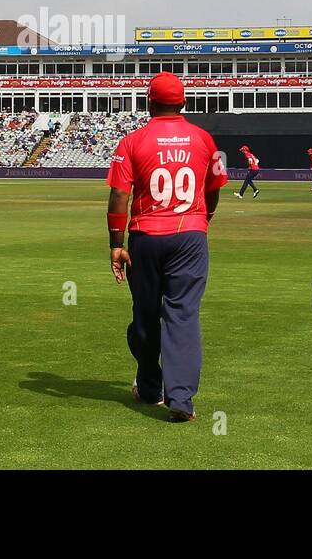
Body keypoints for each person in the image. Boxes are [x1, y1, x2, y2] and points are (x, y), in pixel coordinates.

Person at [106, 71, 227, 423]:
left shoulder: (132, 141)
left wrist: (116, 244)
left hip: (144, 237)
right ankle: (181, 399)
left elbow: (119, 194)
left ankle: (148, 386)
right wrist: (202, 220)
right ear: (184, 101)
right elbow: (214, 186)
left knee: (145, 314)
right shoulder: (204, 139)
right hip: (190, 236)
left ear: (149, 102)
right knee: (183, 315)